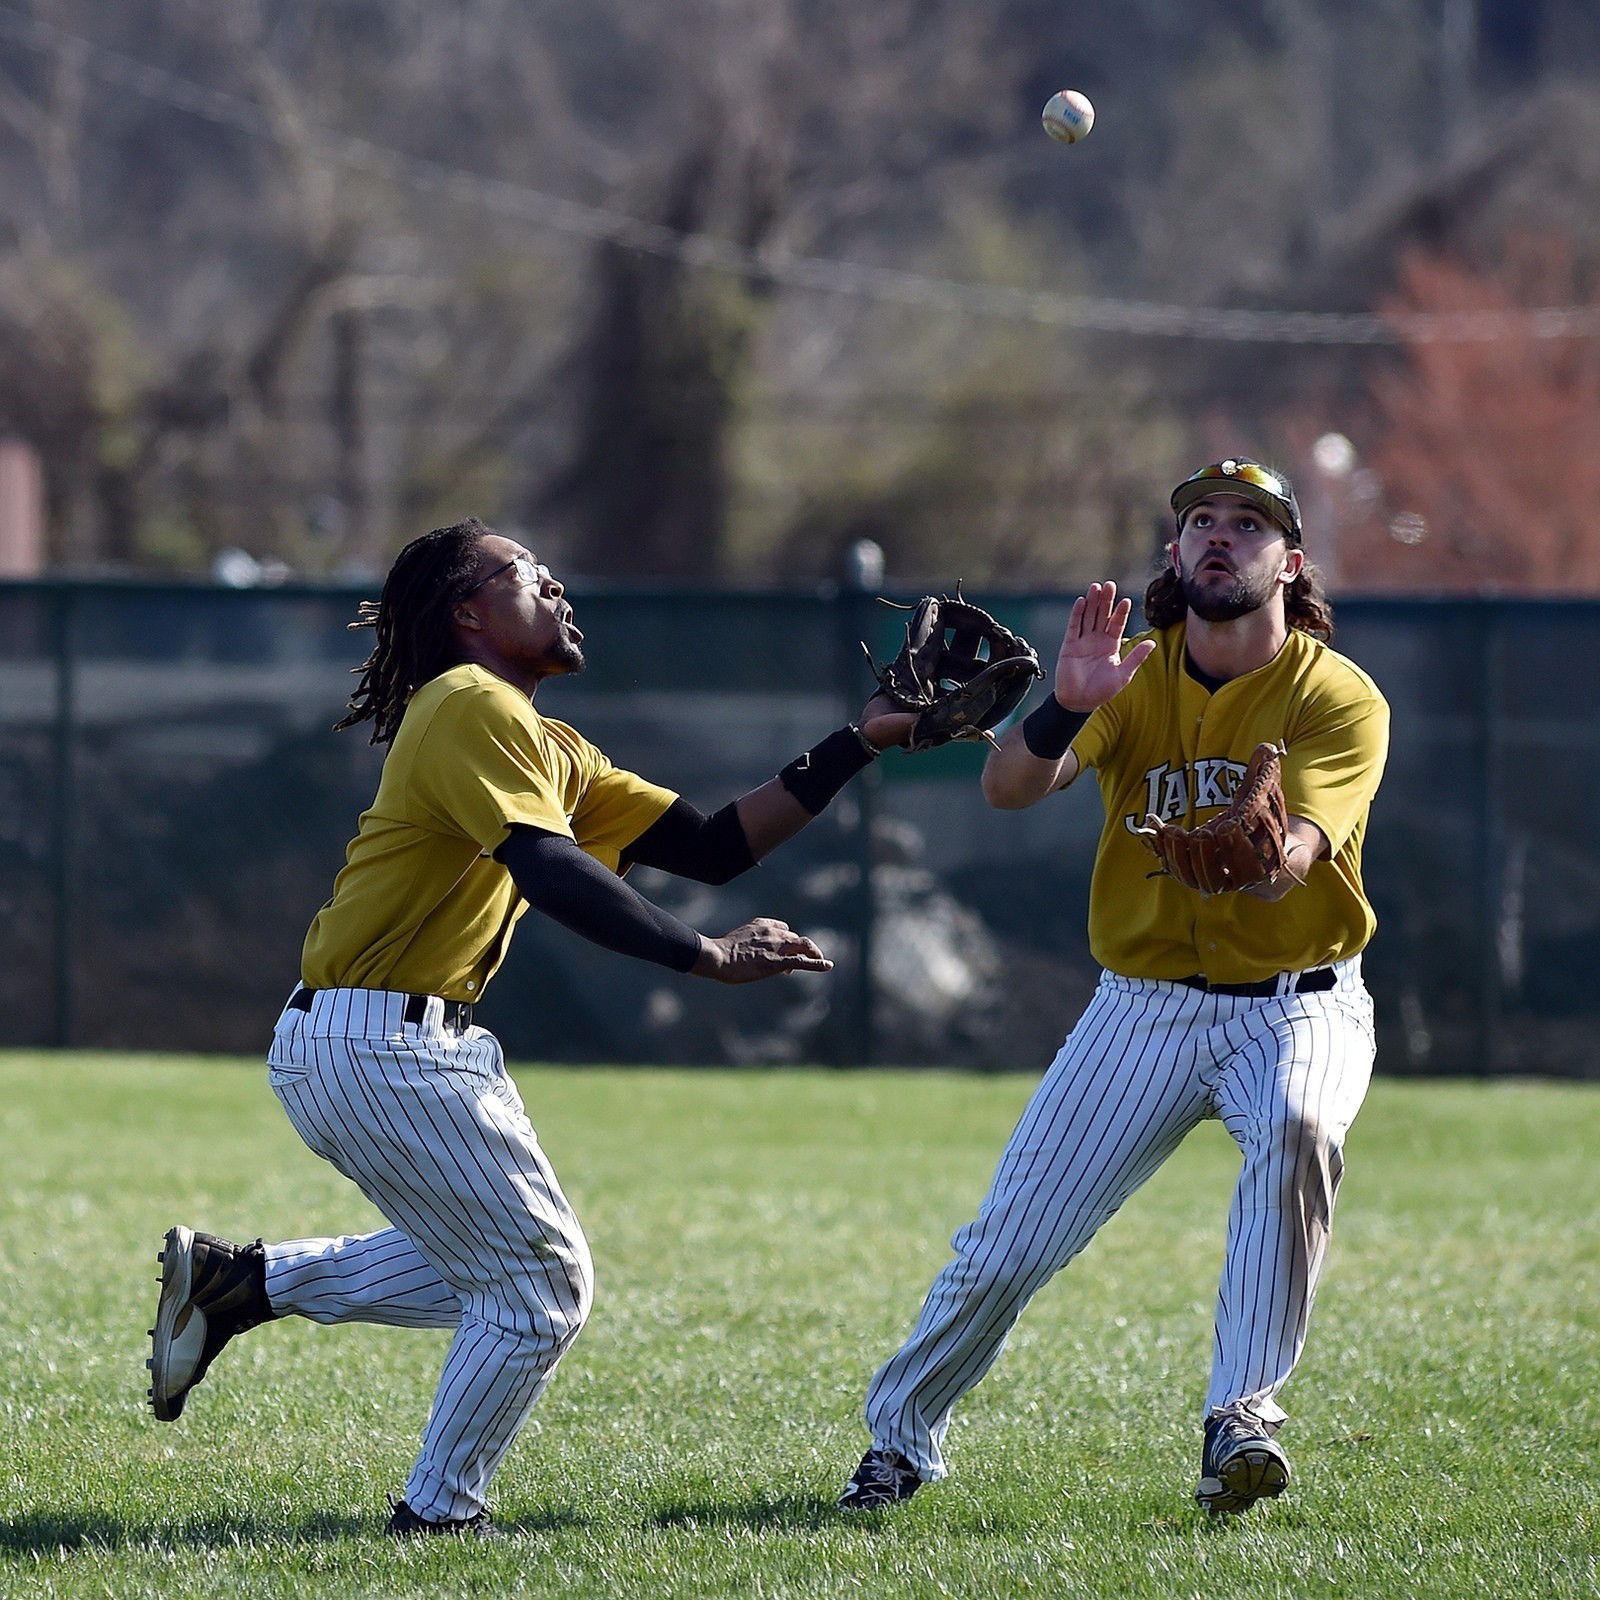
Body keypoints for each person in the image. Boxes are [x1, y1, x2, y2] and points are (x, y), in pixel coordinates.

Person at [147, 517, 913, 1538]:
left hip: (381, 1038)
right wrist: (706, 957)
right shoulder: (468, 702)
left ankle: (241, 1283)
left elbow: (720, 845)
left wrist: (860, 739)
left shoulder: (545, 741)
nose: (556, 587)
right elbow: (550, 871)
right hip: (381, 1038)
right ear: (466, 611)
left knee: (491, 1265)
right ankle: (438, 1515)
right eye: (526, 575)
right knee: (543, 1289)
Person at [838, 458, 1390, 1517]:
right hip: (1142, 1005)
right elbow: (1007, 789)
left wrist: (1259, 858)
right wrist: (1064, 704)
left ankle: (1240, 1419)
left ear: (1292, 561)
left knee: (1297, 1125)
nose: (1219, 536)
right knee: (1007, 1248)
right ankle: (899, 1440)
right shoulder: (1130, 670)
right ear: (1176, 555)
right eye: (1201, 523)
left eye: (1249, 523)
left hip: (1298, 998)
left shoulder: (1337, 693)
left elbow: (1303, 850)